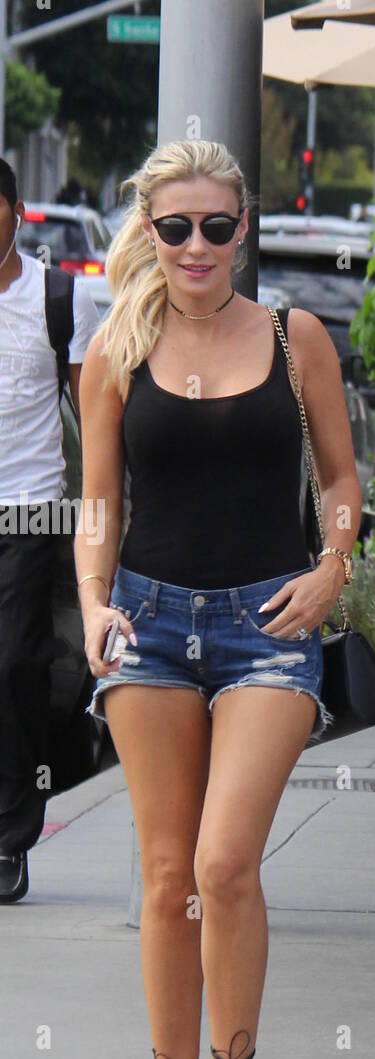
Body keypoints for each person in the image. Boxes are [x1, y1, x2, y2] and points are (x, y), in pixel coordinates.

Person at [76, 139, 362, 1059]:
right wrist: (95, 598)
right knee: (164, 876)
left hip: (267, 626)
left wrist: (335, 565)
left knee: (224, 862)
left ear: (246, 229)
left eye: (217, 226)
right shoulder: (116, 346)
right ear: (149, 233)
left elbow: (340, 477)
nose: (196, 246)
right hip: (146, 624)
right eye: (175, 227)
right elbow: (97, 503)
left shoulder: (297, 340)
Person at [0, 158, 101, 903]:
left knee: (12, 668)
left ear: (15, 213)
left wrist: (107, 514)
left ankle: (8, 840)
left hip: (28, 511)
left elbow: (94, 421)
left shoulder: (57, 297)